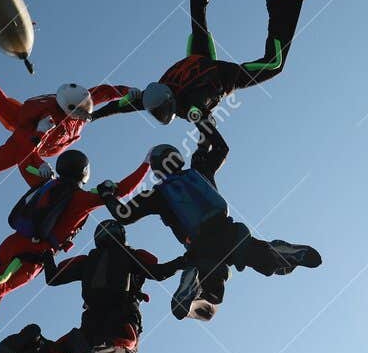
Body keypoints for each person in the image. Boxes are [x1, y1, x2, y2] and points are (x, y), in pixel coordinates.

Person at [113, 118, 320, 320]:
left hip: (201, 245)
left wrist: (106, 194)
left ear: (157, 170)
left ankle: (194, 282)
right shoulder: (198, 170)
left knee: (212, 288)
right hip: (229, 230)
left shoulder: (156, 195)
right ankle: (275, 253)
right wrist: (202, 122)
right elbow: (221, 149)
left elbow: (124, 216)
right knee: (255, 254)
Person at [0, 150, 149, 332]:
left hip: (11, 243)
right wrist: (147, 163)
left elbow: (22, 156)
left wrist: (38, 144)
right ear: (84, 173)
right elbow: (123, 189)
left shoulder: (45, 182)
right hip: (33, 253)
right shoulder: (83, 198)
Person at [91, 0, 305, 125]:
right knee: (200, 35)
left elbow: (121, 107)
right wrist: (92, 116)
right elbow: (120, 107)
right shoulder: (152, 96)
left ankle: (284, 7)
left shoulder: (187, 106)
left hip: (218, 75)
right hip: (196, 62)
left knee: (274, 64)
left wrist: (207, 128)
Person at [0, 220, 184, 353]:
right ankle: (90, 351)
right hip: (121, 318)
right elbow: (158, 273)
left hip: (91, 321)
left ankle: (30, 345)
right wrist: (184, 261)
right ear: (121, 236)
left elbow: (52, 278)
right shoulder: (130, 255)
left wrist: (47, 255)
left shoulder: (85, 261)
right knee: (127, 352)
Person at [0, 71, 132, 184]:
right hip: (32, 139)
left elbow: (103, 91)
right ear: (68, 109)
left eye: (87, 108)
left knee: (12, 115)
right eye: (82, 111)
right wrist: (41, 165)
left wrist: (127, 91)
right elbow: (26, 151)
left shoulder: (79, 99)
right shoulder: (48, 122)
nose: (86, 113)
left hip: (36, 129)